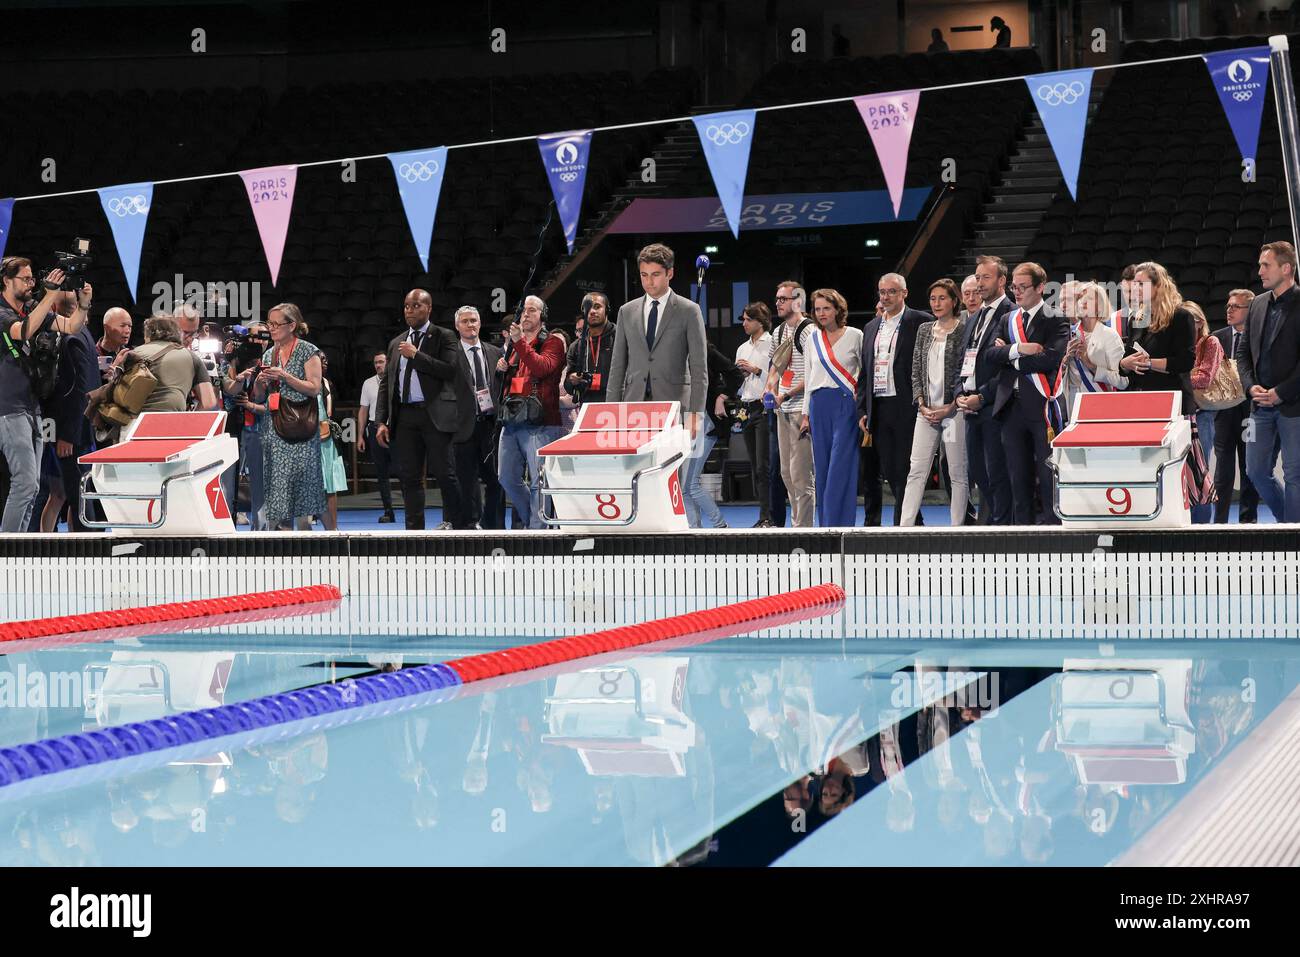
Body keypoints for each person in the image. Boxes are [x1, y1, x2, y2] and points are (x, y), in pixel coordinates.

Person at [0, 259, 89, 532]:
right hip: (7, 408)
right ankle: (7, 549)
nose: (31, 284)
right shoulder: (2, 313)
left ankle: (19, 549)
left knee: (33, 485)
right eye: (25, 279)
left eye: (31, 279)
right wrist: (49, 295)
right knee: (25, 483)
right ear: (6, 280)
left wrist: (84, 304)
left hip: (32, 407)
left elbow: (72, 326)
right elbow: (23, 331)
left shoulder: (30, 309)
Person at [375, 289, 473, 530]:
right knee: (409, 478)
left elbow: (449, 370)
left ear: (429, 308)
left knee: (444, 475)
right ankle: (414, 533)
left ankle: (460, 526)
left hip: (435, 415)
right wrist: (381, 421)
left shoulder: (444, 336)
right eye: (407, 306)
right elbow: (387, 384)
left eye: (416, 305)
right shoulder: (396, 342)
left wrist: (416, 355)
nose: (410, 310)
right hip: (405, 416)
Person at [984, 262, 1069, 525]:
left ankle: (1053, 532)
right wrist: (1021, 348)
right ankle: (1022, 533)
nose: (1016, 292)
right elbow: (989, 356)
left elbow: (1051, 359)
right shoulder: (1007, 319)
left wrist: (1009, 354)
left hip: (1043, 406)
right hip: (1010, 406)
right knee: (1017, 476)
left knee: (1047, 475)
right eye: (1014, 287)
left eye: (1023, 287)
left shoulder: (1056, 317)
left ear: (1041, 287)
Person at [606, 243, 707, 439]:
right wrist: (611, 409)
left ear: (670, 273)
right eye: (644, 275)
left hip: (675, 405)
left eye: (655, 274)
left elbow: (699, 367)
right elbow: (617, 365)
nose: (649, 282)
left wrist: (696, 413)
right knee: (635, 468)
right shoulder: (626, 311)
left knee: (674, 469)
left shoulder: (689, 310)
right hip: (633, 406)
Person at [858, 273, 928, 526]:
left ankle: (904, 523)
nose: (885, 297)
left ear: (904, 294)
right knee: (890, 470)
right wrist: (863, 410)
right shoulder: (871, 327)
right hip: (879, 406)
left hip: (908, 406)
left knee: (905, 469)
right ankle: (912, 520)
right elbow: (864, 372)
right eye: (882, 292)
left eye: (891, 292)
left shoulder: (921, 322)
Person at [1238, 241, 1300, 522]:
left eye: (1267, 265)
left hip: (1294, 405)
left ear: (1286, 269)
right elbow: (1242, 354)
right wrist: (1251, 386)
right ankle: (1289, 524)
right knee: (1255, 471)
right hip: (1258, 406)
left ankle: (1293, 540)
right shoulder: (1258, 304)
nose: (1260, 270)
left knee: (1295, 474)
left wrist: (1281, 392)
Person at [249, 304, 326, 531]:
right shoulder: (268, 353)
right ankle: (279, 536)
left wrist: (285, 376)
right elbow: (260, 396)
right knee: (276, 485)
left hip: (301, 426)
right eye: (269, 323)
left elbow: (314, 388)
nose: (270, 328)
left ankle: (308, 534)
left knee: (304, 483)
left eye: (276, 324)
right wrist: (258, 384)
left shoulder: (308, 350)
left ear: (292, 325)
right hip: (274, 428)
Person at [899, 279, 967, 526]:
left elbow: (964, 371)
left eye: (942, 298)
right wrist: (921, 404)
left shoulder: (964, 329)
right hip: (926, 413)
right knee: (916, 470)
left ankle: (957, 527)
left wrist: (951, 407)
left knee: (957, 473)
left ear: (953, 300)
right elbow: (915, 369)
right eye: (933, 298)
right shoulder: (925, 329)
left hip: (953, 413)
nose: (936, 303)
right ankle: (904, 527)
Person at [495, 295, 566, 529]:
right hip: (513, 420)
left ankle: (538, 532)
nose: (526, 314)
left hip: (541, 421)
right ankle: (534, 523)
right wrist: (503, 370)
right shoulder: (516, 347)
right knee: (506, 478)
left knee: (539, 481)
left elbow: (541, 367)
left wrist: (519, 343)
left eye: (532, 310)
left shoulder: (553, 341)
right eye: (523, 310)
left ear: (542, 316)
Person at [954, 255, 1015, 525]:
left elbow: (1009, 368)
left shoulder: (1012, 314)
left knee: (998, 473)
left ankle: (1003, 530)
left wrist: (982, 396)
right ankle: (993, 524)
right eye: (977, 277)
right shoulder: (973, 317)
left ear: (1002, 280)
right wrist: (959, 394)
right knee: (978, 472)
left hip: (996, 406)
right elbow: (961, 360)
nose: (979, 283)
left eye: (985, 277)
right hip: (970, 407)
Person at [800, 288, 862, 527]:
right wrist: (805, 414)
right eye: (817, 309)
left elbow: (863, 374)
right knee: (823, 469)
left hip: (846, 406)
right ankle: (825, 526)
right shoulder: (812, 338)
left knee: (840, 466)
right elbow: (809, 375)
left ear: (838, 309)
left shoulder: (855, 335)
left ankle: (842, 524)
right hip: (818, 407)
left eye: (827, 308)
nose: (822, 313)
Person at [40, 295, 101, 532]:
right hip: (77, 428)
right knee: (61, 493)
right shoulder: (83, 332)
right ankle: (50, 544)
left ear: (53, 309)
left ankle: (84, 553)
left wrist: (68, 434)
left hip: (71, 433)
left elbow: (78, 390)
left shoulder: (71, 337)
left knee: (78, 497)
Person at [766, 280, 815, 526]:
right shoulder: (778, 332)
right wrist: (769, 390)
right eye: (777, 299)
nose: (778, 303)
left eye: (783, 299)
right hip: (782, 410)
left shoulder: (808, 331)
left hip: (801, 410)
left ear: (797, 301)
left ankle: (804, 530)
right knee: (786, 474)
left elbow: (814, 373)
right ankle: (797, 525)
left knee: (801, 477)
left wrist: (785, 394)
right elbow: (775, 367)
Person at [451, 305, 504, 530]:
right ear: (457, 326)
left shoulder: (496, 352)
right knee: (465, 482)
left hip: (491, 425)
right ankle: (469, 526)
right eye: (465, 321)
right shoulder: (450, 354)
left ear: (480, 323)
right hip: (462, 425)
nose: (470, 324)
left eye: (474, 320)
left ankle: (494, 524)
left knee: (496, 480)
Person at [1213, 289, 1261, 523]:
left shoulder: (1259, 337)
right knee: (1223, 469)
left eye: (1235, 306)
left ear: (1249, 310)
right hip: (1224, 412)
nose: (1229, 310)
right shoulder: (1216, 338)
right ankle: (1219, 521)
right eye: (1228, 306)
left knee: (1248, 466)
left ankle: (1247, 520)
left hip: (1250, 410)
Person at [682, 344, 743, 529]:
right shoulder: (674, 352)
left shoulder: (706, 349)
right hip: (686, 419)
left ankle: (720, 525)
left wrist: (721, 398)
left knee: (690, 484)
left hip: (706, 419)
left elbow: (736, 374)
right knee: (684, 486)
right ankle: (694, 531)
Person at [735, 302, 774, 526]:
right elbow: (741, 382)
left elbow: (777, 375)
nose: (744, 323)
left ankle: (767, 516)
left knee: (763, 465)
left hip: (765, 407)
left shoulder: (771, 344)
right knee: (754, 465)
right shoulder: (742, 348)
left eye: (748, 319)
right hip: (747, 407)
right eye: (743, 319)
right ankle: (763, 515)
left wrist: (756, 370)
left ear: (760, 321)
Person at [1062, 281, 1128, 413]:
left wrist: (1090, 364)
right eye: (1080, 298)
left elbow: (1122, 381)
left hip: (1102, 405)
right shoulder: (1067, 334)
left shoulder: (1110, 336)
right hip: (1074, 406)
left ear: (1099, 306)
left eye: (1090, 298)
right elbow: (1060, 377)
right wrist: (1065, 361)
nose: (1084, 302)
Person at [132, 316, 220, 414]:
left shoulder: (134, 353)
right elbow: (209, 402)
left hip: (134, 422)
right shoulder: (191, 356)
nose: (189, 338)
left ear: (147, 335)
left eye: (193, 333)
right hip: (174, 421)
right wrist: (189, 421)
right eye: (186, 332)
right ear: (176, 332)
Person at [1186, 301, 1223, 524]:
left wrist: (1176, 375)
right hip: (1178, 415)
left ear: (1200, 322)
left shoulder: (1211, 342)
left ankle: (1200, 526)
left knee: (1200, 472)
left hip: (1201, 415)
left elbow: (1205, 378)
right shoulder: (1177, 345)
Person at [356, 350, 395, 523]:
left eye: (381, 361)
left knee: (406, 471)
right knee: (381, 472)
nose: (378, 365)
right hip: (374, 428)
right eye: (376, 362)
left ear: (388, 362)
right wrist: (360, 436)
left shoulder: (397, 380)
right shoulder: (368, 383)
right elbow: (363, 410)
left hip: (395, 429)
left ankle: (412, 510)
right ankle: (388, 511)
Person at [565, 292, 616, 408]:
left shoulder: (621, 338)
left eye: (597, 307)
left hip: (616, 406)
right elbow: (568, 386)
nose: (592, 311)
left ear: (607, 309)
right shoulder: (576, 346)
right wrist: (572, 379)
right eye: (588, 308)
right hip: (586, 408)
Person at [318, 354, 347, 530]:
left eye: (325, 359)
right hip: (307, 438)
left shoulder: (328, 383)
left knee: (331, 485)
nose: (325, 362)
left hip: (327, 440)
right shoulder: (303, 384)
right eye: (320, 359)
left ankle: (333, 529)